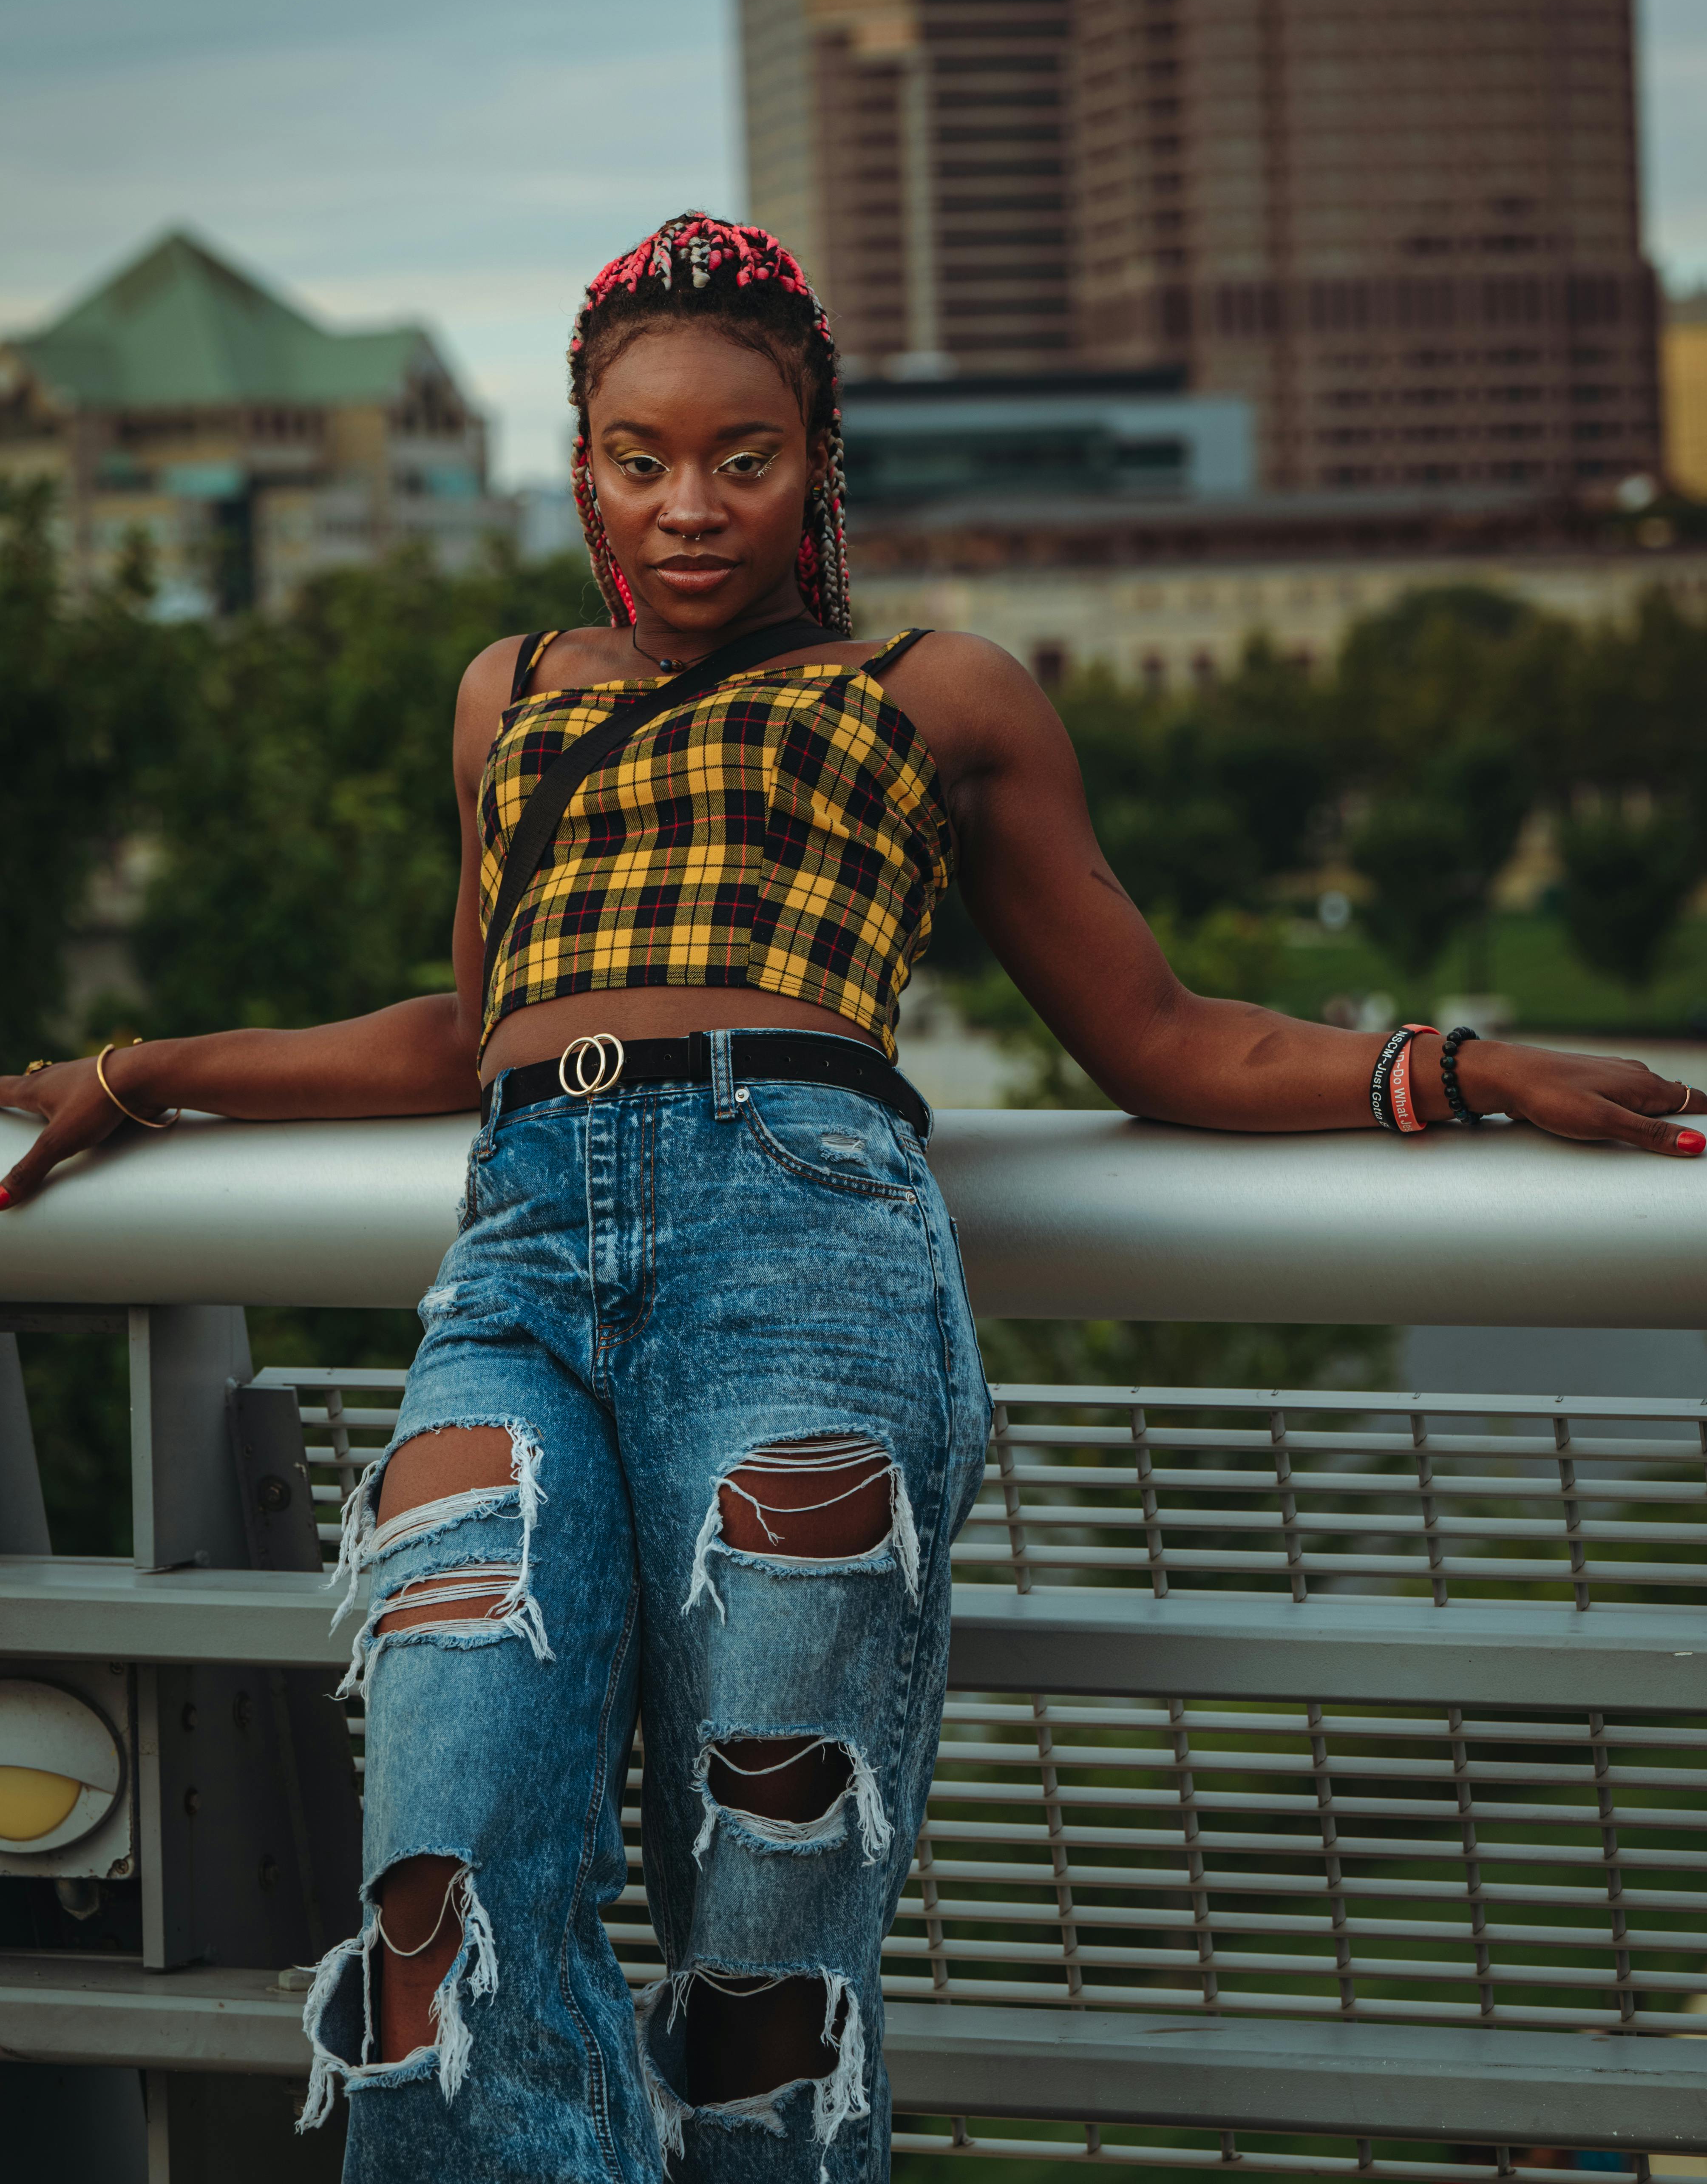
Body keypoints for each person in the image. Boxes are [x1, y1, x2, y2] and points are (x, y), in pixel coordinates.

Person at [1, 211, 1701, 2184]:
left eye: (743, 457)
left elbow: (1159, 1040)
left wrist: (1463, 1068)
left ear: (815, 466)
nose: (690, 507)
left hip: (804, 1262)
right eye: (639, 460)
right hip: (523, 1271)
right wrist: (138, 1073)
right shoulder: (508, 694)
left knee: (763, 1954)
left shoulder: (933, 692)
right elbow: (469, 1024)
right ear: (581, 471)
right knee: (435, 1904)